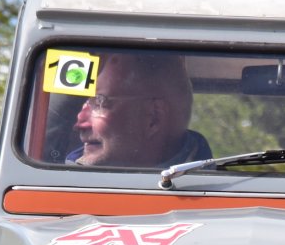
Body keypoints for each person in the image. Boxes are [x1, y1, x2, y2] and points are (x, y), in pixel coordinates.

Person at [66, 52, 212, 168]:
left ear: (153, 117)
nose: (79, 123)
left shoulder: (212, 193)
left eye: (99, 103)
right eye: (81, 102)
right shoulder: (60, 179)